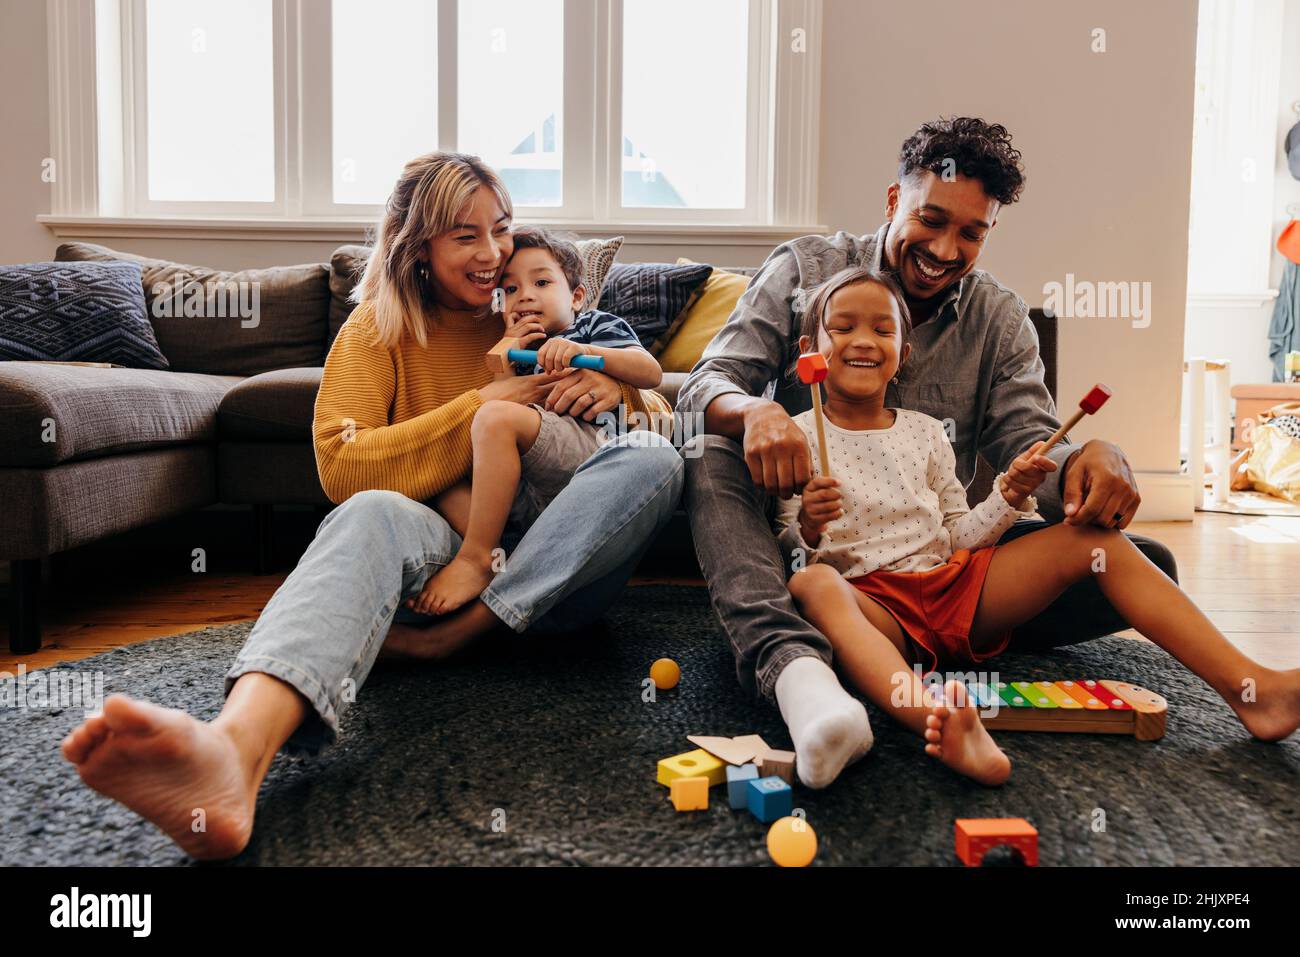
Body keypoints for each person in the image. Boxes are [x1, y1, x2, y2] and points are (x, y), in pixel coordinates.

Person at [59, 152, 684, 860]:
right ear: (417, 246)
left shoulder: (533, 300)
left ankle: (465, 633)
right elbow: (341, 465)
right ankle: (232, 751)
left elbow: (656, 405)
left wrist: (624, 395)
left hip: (569, 567)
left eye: (501, 229)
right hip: (450, 551)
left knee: (656, 458)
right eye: (464, 236)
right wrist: (478, 405)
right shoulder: (376, 331)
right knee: (365, 513)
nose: (492, 254)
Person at [676, 116, 1177, 789]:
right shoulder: (804, 268)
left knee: (1148, 562)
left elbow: (1029, 442)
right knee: (709, 443)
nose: (945, 248)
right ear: (894, 200)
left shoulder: (999, 318)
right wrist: (757, 410)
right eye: (931, 219)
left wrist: (1088, 458)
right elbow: (704, 386)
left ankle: (895, 641)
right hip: (804, 562)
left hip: (935, 564)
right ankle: (797, 665)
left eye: (971, 232)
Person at [778, 266, 1300, 787]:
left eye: (883, 330)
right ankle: (937, 721)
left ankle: (1253, 688)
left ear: (904, 353)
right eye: (843, 328)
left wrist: (1010, 492)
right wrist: (808, 523)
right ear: (810, 348)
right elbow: (787, 549)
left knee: (1093, 542)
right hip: (874, 612)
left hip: (952, 588)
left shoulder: (926, 433)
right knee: (812, 582)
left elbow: (960, 535)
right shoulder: (795, 437)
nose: (863, 341)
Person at [417, 226, 663, 614]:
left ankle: (475, 558)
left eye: (542, 282)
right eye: (510, 290)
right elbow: (500, 400)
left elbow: (650, 372)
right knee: (439, 475)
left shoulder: (593, 326)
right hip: (527, 487)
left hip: (586, 458)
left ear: (577, 296)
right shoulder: (514, 348)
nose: (525, 295)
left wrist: (582, 349)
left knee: (495, 417)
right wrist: (507, 346)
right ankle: (503, 558)